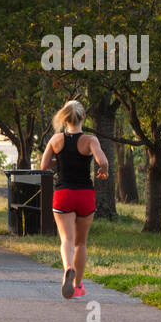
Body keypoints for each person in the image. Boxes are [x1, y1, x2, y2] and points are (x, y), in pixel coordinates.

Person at [39, 100, 108, 299]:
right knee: (81, 243)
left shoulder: (56, 139)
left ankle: (68, 268)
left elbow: (44, 166)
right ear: (83, 117)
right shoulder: (90, 140)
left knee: (66, 239)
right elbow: (102, 161)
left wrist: (61, 160)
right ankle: (78, 285)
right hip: (85, 195)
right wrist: (103, 171)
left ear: (65, 118)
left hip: (63, 194)